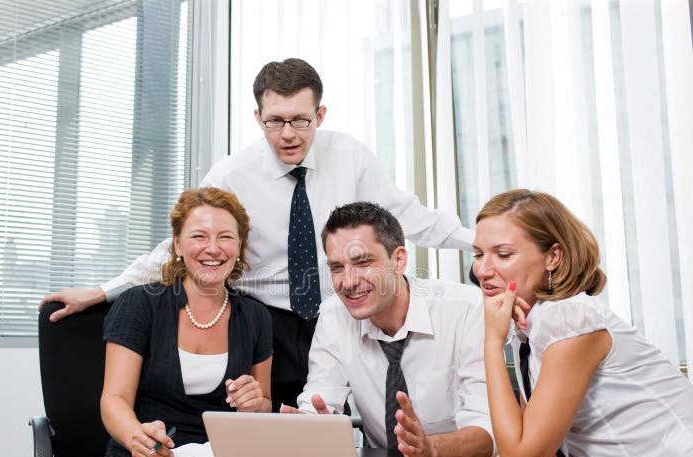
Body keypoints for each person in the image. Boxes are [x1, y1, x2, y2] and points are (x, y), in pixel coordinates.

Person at [40, 58, 474, 410]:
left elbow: (407, 215)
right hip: (268, 324)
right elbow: (183, 244)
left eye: (301, 121)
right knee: (276, 435)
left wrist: (479, 245)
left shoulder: (351, 157)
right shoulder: (233, 175)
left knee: (327, 424)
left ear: (320, 115)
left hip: (335, 314)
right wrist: (102, 291)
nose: (288, 134)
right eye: (275, 121)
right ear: (258, 117)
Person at [474, 189, 693, 457]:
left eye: (502, 254)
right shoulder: (529, 327)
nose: (482, 270)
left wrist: (490, 342)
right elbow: (523, 439)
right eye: (477, 254)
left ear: (553, 257)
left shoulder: (572, 321)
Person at [281, 202, 494, 457]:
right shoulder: (334, 315)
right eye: (337, 268)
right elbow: (321, 398)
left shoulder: (466, 309)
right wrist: (310, 425)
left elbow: (488, 428)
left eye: (363, 262)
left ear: (399, 261)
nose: (348, 282)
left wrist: (431, 450)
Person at [98, 188, 272, 457]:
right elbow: (114, 399)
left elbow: (264, 403)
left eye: (225, 237)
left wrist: (254, 404)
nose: (213, 249)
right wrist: (137, 438)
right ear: (178, 245)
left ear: (239, 247)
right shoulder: (140, 304)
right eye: (199, 236)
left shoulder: (256, 316)